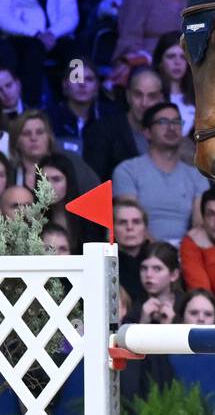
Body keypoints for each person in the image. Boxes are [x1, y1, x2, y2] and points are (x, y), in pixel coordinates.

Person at [111, 102, 208, 244]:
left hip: (186, 252)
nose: (171, 127)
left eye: (176, 121)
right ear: (147, 132)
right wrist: (161, 253)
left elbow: (199, 224)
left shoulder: (196, 176)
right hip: (142, 251)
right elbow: (130, 221)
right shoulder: (127, 170)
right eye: (163, 122)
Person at [84, 65, 163, 179]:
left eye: (152, 96)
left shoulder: (167, 131)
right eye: (138, 95)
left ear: (160, 99)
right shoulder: (103, 130)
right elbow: (93, 180)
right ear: (128, 95)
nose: (144, 103)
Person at [130, 241, 181, 325]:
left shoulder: (186, 306)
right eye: (144, 268)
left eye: (157, 269)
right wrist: (143, 322)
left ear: (174, 275)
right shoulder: (132, 306)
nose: (148, 274)